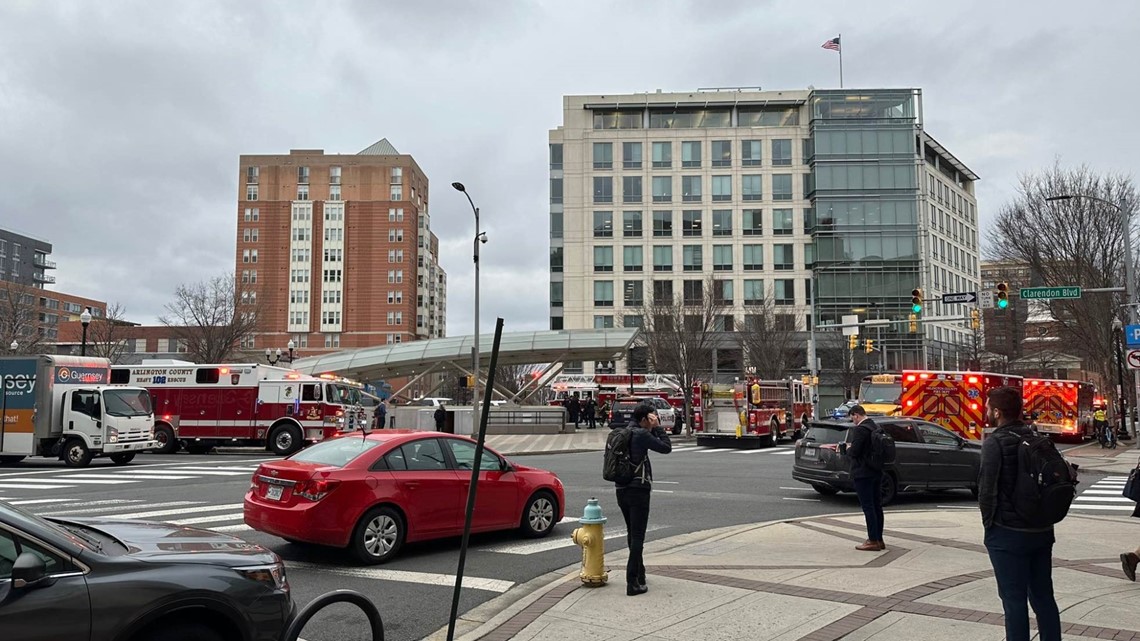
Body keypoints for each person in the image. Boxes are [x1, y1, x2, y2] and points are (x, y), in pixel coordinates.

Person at [979, 386, 1061, 641]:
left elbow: (986, 489)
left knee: (1013, 601)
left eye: (988, 407)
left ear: (997, 412)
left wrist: (990, 526)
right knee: (1043, 597)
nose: (986, 411)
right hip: (1040, 530)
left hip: (1007, 533)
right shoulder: (1037, 438)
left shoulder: (995, 442)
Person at [614, 402, 671, 596]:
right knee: (638, 536)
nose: (653, 420)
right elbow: (665, 447)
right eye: (651, 417)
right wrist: (659, 427)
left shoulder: (622, 433)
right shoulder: (641, 434)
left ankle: (640, 574)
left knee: (632, 533)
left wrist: (652, 427)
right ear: (644, 419)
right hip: (638, 489)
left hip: (621, 488)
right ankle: (632, 582)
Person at [842, 405, 885, 552]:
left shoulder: (861, 430)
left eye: (852, 418)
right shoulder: (875, 426)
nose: (852, 421)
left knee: (868, 507)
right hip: (876, 470)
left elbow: (855, 452)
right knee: (877, 506)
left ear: (856, 415)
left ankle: (872, 540)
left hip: (863, 472)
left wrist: (847, 449)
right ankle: (879, 539)